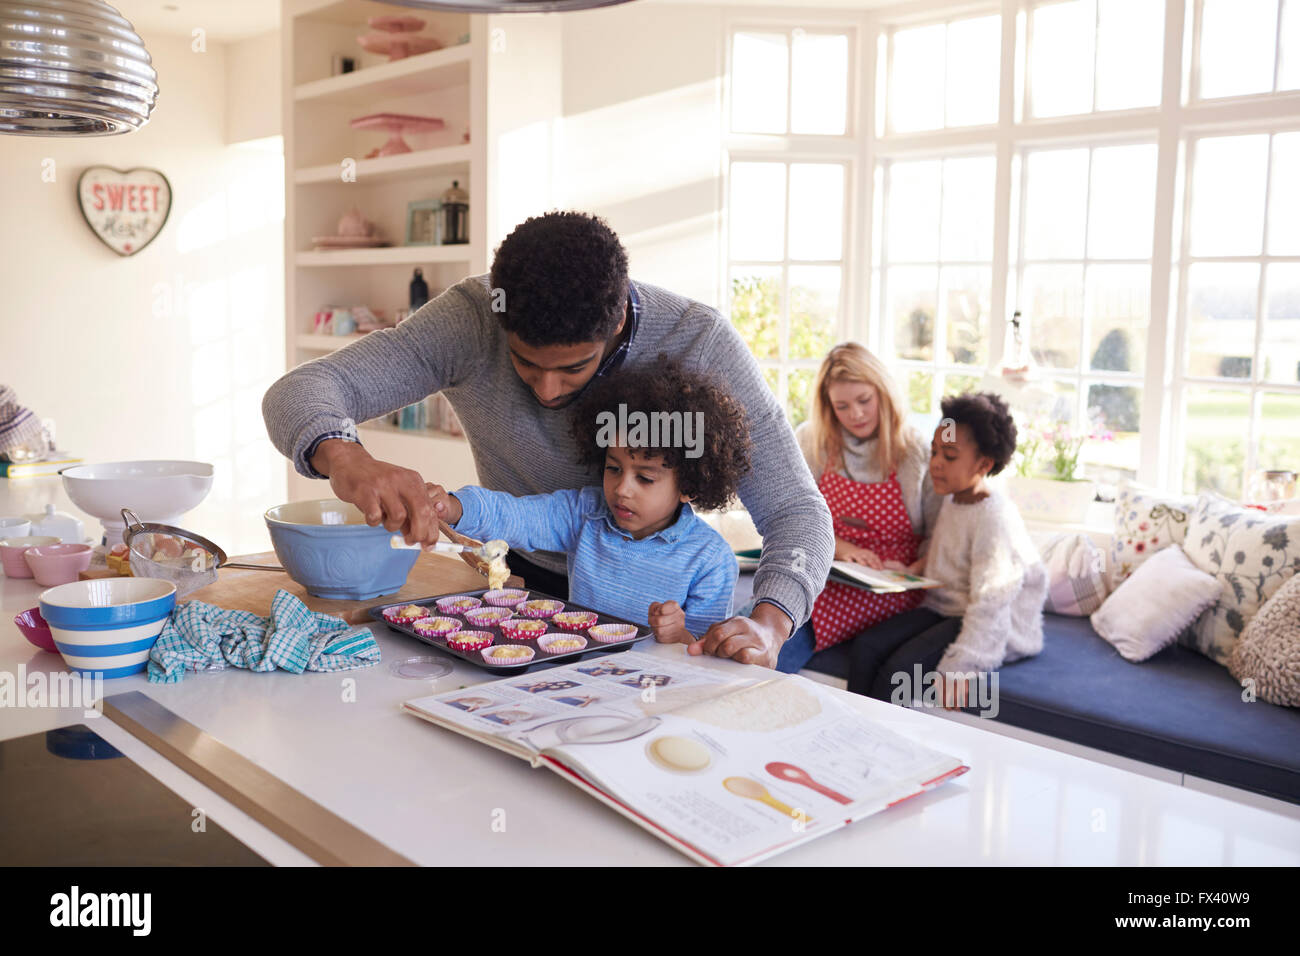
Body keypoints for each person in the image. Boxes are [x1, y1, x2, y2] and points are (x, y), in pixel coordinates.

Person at [262, 211, 833, 667]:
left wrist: (769, 620)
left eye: (573, 368)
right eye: (525, 364)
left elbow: (798, 511)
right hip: (518, 587)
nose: (548, 390)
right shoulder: (474, 318)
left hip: (657, 618)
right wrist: (346, 457)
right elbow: (300, 390)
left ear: (614, 325)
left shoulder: (699, 342)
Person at [426, 363, 747, 642]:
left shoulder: (711, 560)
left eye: (645, 479)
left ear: (689, 485)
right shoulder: (586, 513)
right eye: (613, 468)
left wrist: (678, 635)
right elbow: (517, 515)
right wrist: (454, 507)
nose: (622, 489)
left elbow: (708, 656)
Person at [847, 392, 1047, 703]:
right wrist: (910, 570)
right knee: (865, 647)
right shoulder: (952, 498)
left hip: (977, 617)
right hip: (942, 608)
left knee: (899, 671)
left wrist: (964, 665)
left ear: (983, 464)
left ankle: (880, 746)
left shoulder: (994, 516)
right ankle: (849, 734)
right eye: (935, 451)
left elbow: (993, 599)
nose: (936, 464)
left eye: (950, 456)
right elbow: (947, 557)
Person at [775, 342, 940, 673]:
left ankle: (757, 675)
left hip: (892, 582)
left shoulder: (915, 451)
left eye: (865, 400)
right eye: (842, 406)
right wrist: (842, 548)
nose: (857, 414)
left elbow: (939, 537)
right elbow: (795, 518)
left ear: (883, 392)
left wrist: (912, 569)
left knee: (787, 624)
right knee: (769, 605)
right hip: (827, 566)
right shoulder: (812, 440)